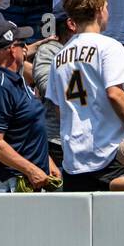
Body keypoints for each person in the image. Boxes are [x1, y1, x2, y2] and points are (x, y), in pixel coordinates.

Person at [47, 0, 124, 189]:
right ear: (101, 9)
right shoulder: (109, 46)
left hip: (73, 157)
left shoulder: (60, 55)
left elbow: (59, 108)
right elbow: (115, 94)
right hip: (108, 152)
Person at [0, 19, 58, 191]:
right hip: (8, 184)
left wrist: (47, 161)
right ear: (12, 50)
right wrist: (31, 170)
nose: (26, 48)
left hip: (28, 179)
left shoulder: (15, 80)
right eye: (23, 44)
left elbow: (27, 130)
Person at [33, 11, 71, 170]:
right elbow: (47, 86)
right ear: (71, 24)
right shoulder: (50, 50)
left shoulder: (94, 47)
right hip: (56, 140)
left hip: (89, 136)